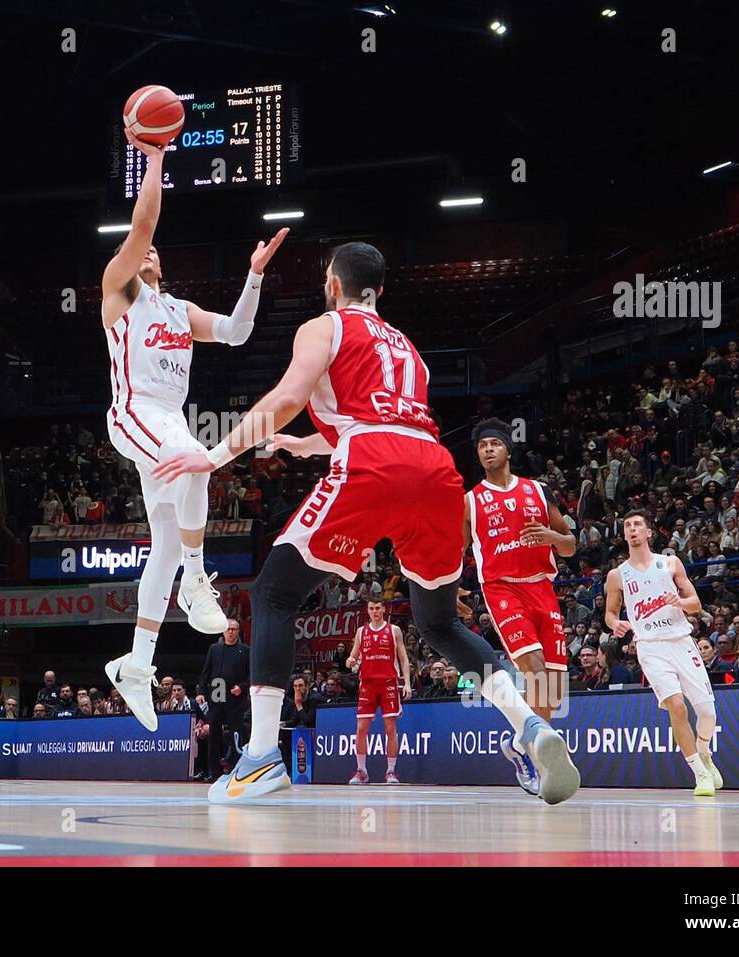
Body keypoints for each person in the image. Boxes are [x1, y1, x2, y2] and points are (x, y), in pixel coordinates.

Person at [154, 241, 579, 805]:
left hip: (372, 466)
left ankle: (258, 758)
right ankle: (530, 726)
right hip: (435, 472)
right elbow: (382, 418)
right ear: (380, 289)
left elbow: (288, 397)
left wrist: (214, 455)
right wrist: (311, 445)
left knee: (274, 593)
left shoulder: (323, 326)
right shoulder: (409, 349)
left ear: (333, 283)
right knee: (438, 624)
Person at [99, 126, 288, 731]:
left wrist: (254, 276)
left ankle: (137, 663)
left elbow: (236, 332)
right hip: (133, 414)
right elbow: (145, 226)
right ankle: (195, 579)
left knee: (162, 539)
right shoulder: (118, 294)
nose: (148, 253)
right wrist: (153, 158)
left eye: (154, 253)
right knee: (194, 456)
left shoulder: (179, 311)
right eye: (141, 249)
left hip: (168, 420)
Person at [465, 417, 577, 796]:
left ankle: (520, 746)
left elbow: (571, 545)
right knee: (533, 668)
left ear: (508, 450)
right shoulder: (470, 501)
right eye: (482, 447)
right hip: (502, 589)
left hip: (543, 589)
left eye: (494, 444)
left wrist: (551, 536)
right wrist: (448, 591)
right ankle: (536, 752)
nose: (488, 450)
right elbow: (454, 551)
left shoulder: (537, 490)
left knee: (552, 690)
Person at [606, 510, 723, 797]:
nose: (632, 529)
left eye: (637, 525)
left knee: (707, 711)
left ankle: (704, 753)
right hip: (649, 646)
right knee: (677, 706)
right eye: (627, 526)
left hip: (681, 641)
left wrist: (680, 601)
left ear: (648, 533)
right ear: (624, 535)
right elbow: (609, 614)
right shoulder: (616, 575)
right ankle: (699, 774)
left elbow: (696, 603)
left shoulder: (669, 562)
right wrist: (616, 623)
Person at [343, 599, 410, 784]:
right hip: (367, 683)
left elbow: (404, 659)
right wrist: (350, 661)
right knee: (361, 728)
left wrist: (407, 683)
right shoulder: (361, 632)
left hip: (388, 682)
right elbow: (354, 655)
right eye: (372, 608)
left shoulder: (394, 630)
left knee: (390, 728)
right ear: (368, 610)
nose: (375, 611)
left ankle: (390, 771)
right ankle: (361, 770)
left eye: (378, 608)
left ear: (384, 609)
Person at [195, 619, 250, 782]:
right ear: (223, 631)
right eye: (228, 629)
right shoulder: (215, 649)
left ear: (238, 632)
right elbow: (206, 672)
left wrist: (241, 686)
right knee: (213, 735)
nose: (231, 632)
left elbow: (251, 675)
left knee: (235, 734)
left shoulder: (245, 651)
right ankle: (213, 771)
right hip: (216, 695)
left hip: (235, 697)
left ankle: (235, 768)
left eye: (234, 629)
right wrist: (201, 692)